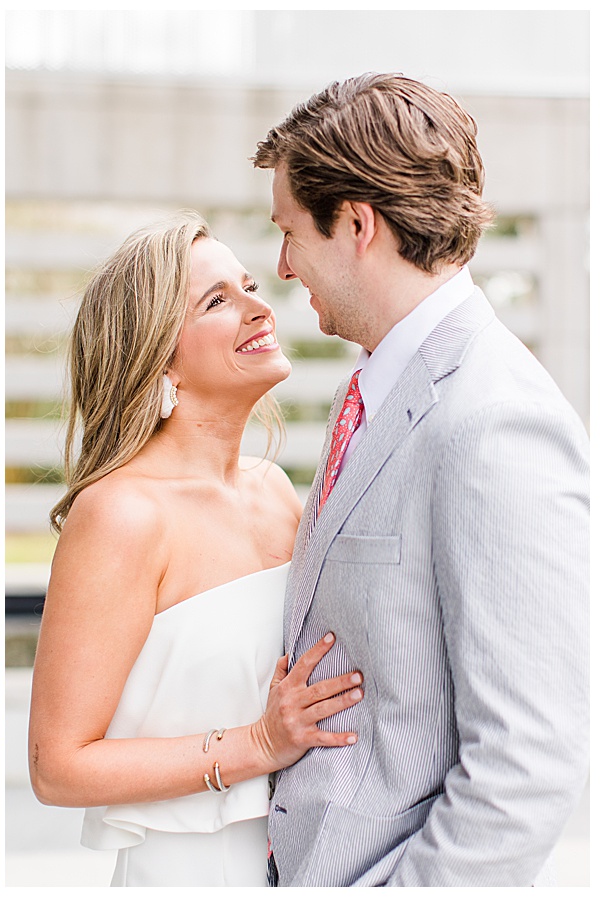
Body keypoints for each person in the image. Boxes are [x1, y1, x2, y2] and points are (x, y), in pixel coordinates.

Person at [252, 73, 589, 886]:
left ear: (358, 224)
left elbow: (526, 768)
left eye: (291, 232)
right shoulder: (366, 388)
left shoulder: (496, 420)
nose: (283, 264)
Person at [27, 211, 366, 886]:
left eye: (247, 285)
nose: (258, 306)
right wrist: (257, 744)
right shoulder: (121, 514)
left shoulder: (276, 491)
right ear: (162, 359)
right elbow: (55, 765)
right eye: (219, 300)